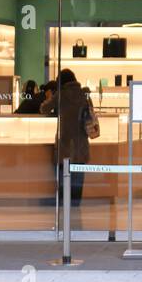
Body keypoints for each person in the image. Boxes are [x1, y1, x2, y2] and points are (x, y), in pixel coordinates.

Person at [54, 69, 90, 213]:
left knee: (64, 176)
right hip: (81, 142)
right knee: (78, 177)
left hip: (65, 141)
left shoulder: (61, 95)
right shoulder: (84, 94)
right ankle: (76, 206)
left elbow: (44, 107)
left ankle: (65, 207)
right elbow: (90, 114)